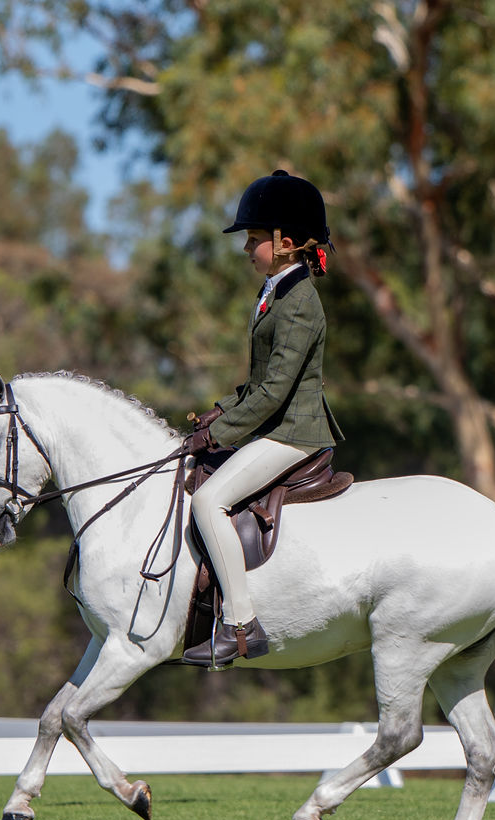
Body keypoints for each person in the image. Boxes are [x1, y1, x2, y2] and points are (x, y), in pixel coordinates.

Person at [181, 169, 343, 666]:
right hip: (276, 425)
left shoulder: (299, 304)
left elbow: (274, 393)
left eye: (253, 240)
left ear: (286, 243)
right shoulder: (276, 290)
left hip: (294, 434)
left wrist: (220, 434)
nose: (246, 249)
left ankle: (241, 625)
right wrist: (218, 415)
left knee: (208, 502)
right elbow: (256, 384)